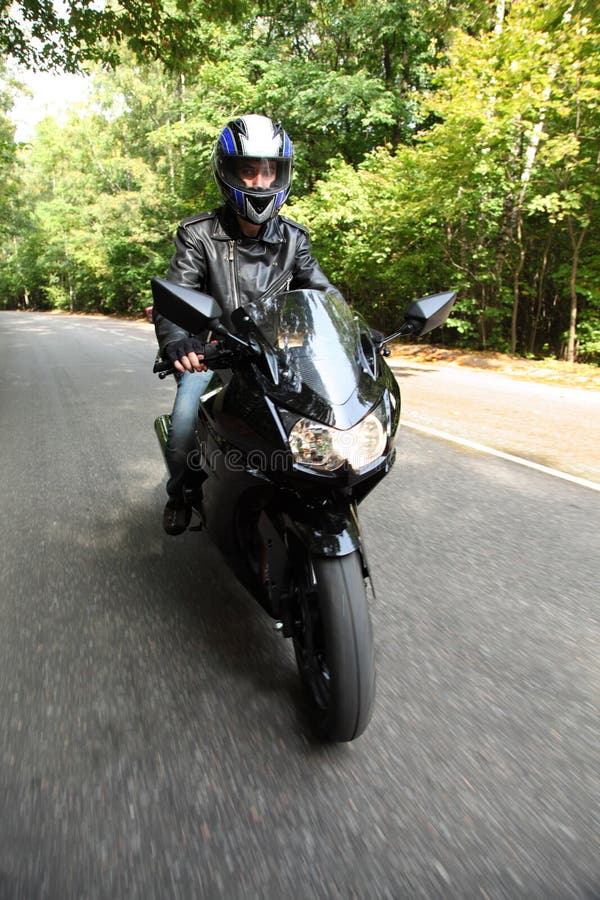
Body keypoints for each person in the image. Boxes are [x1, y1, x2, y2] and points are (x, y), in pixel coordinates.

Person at [154, 114, 343, 535]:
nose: (260, 181)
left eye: (269, 170)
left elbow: (322, 292)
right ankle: (181, 491)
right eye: (249, 170)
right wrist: (180, 342)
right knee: (184, 424)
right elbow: (175, 295)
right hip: (214, 355)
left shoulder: (295, 239)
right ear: (228, 171)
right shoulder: (197, 234)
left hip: (279, 356)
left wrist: (357, 335)